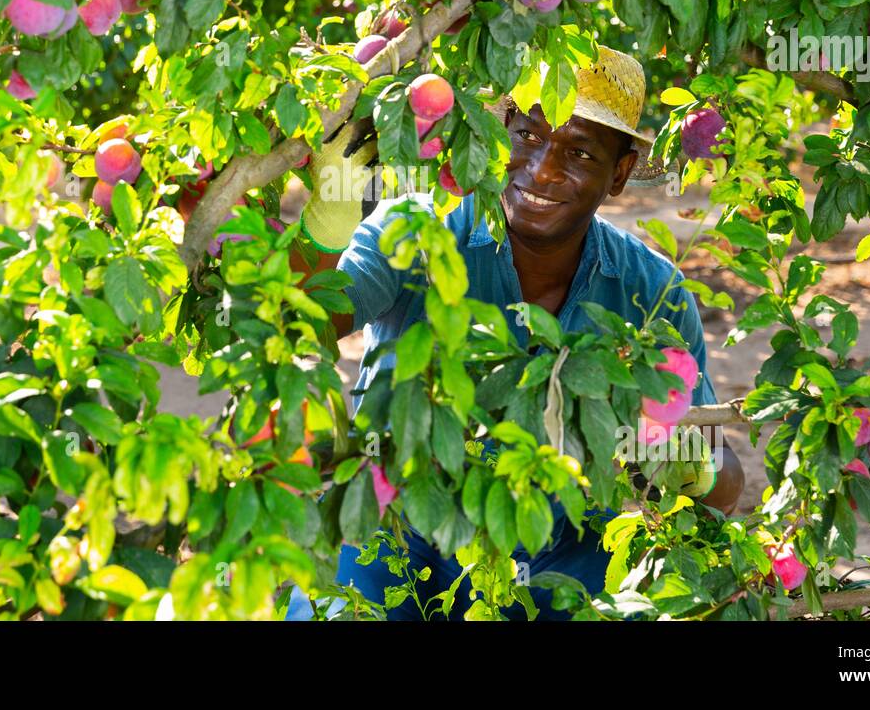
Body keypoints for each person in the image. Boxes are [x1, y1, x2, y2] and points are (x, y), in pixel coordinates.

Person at [284, 46, 744, 620]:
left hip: (568, 557)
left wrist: (675, 457)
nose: (544, 169)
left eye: (579, 151)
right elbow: (305, 327)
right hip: (397, 528)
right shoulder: (415, 232)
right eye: (528, 135)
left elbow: (724, 484)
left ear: (619, 174)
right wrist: (329, 216)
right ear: (499, 134)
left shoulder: (651, 294)